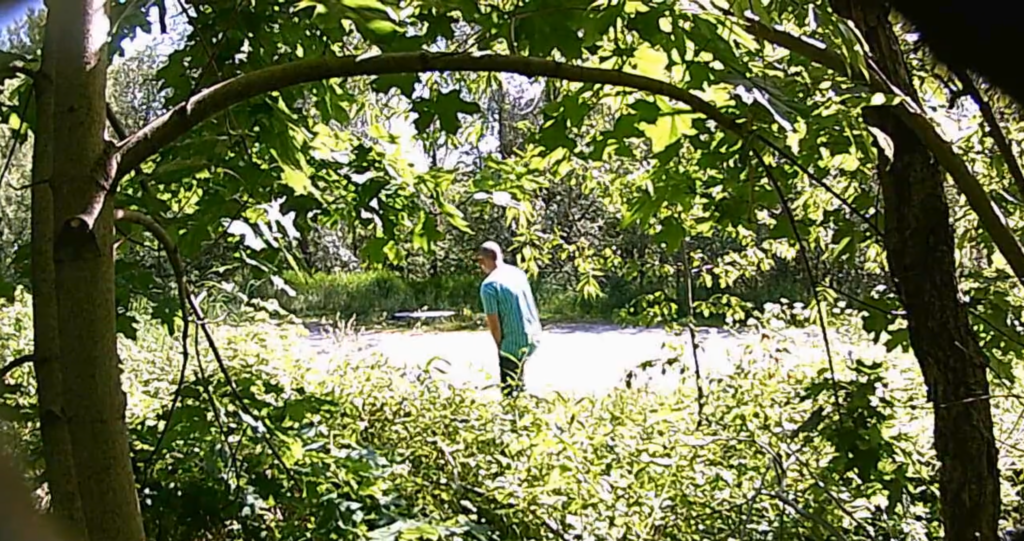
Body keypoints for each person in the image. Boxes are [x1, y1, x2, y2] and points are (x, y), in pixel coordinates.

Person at [476, 241, 541, 398]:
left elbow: (494, 324)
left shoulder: (489, 286)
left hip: (513, 341)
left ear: (483, 260)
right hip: (533, 335)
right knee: (519, 379)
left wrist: (501, 347)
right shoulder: (517, 273)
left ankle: (514, 416)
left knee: (510, 389)